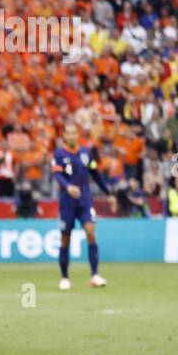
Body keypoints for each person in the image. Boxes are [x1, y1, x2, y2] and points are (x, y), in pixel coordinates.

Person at [52, 123, 108, 290]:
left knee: (91, 232)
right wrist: (68, 187)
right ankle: (64, 277)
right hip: (67, 203)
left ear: (77, 135)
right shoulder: (59, 154)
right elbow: (57, 174)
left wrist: (108, 192)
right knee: (65, 239)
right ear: (64, 136)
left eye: (74, 133)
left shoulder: (86, 153)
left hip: (85, 201)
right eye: (68, 133)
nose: (72, 136)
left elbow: (95, 173)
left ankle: (95, 275)